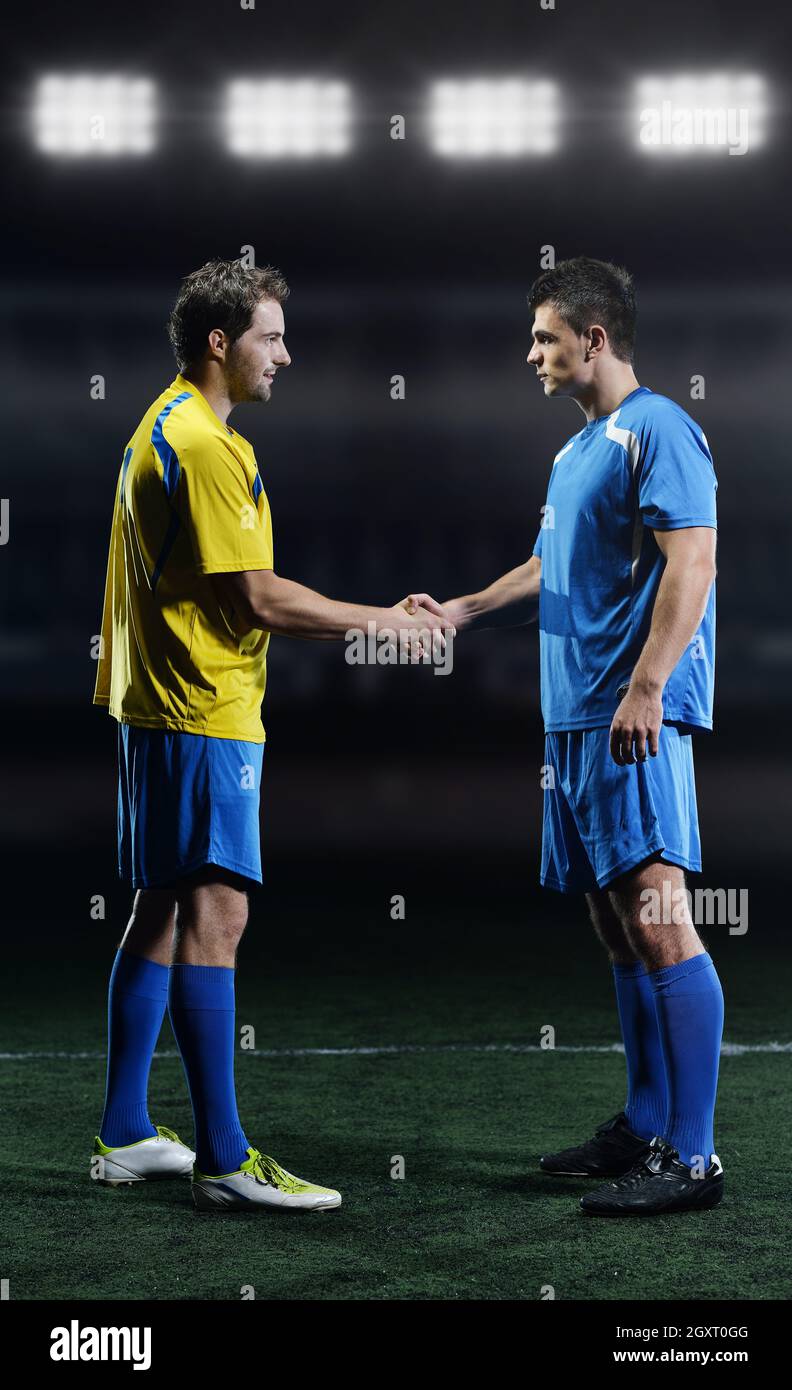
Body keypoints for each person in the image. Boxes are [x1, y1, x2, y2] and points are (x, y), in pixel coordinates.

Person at [92, 257, 451, 1214]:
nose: (285, 354)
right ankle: (226, 1161)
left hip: (160, 705)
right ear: (221, 341)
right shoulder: (204, 443)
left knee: (162, 907)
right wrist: (386, 622)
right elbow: (256, 599)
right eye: (272, 336)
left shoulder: (166, 422)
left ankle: (126, 1129)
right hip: (200, 710)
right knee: (216, 914)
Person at [406, 256, 723, 1216]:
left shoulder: (658, 428)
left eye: (545, 337)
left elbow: (695, 556)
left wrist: (648, 687)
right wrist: (460, 608)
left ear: (594, 339)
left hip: (632, 714)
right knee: (617, 921)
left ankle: (694, 1158)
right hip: (577, 719)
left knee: (660, 917)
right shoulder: (577, 451)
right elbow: (552, 567)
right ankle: (644, 1122)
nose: (531, 353)